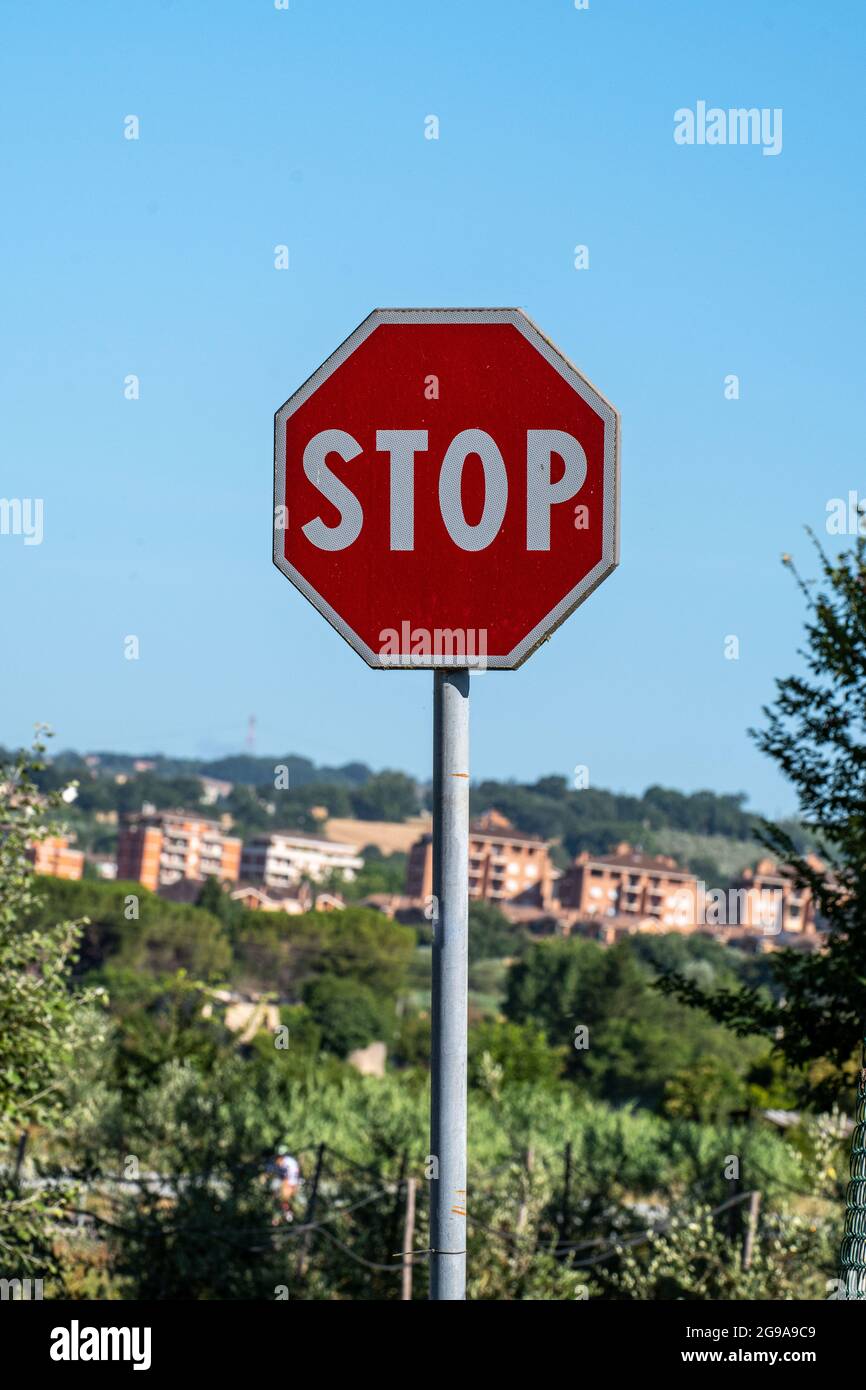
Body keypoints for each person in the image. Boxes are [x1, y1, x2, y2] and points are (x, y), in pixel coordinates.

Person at [272, 1152, 301, 1223]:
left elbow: (289, 1173)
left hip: (290, 1180)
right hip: (291, 1180)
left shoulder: (287, 1162)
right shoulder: (287, 1162)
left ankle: (286, 1214)